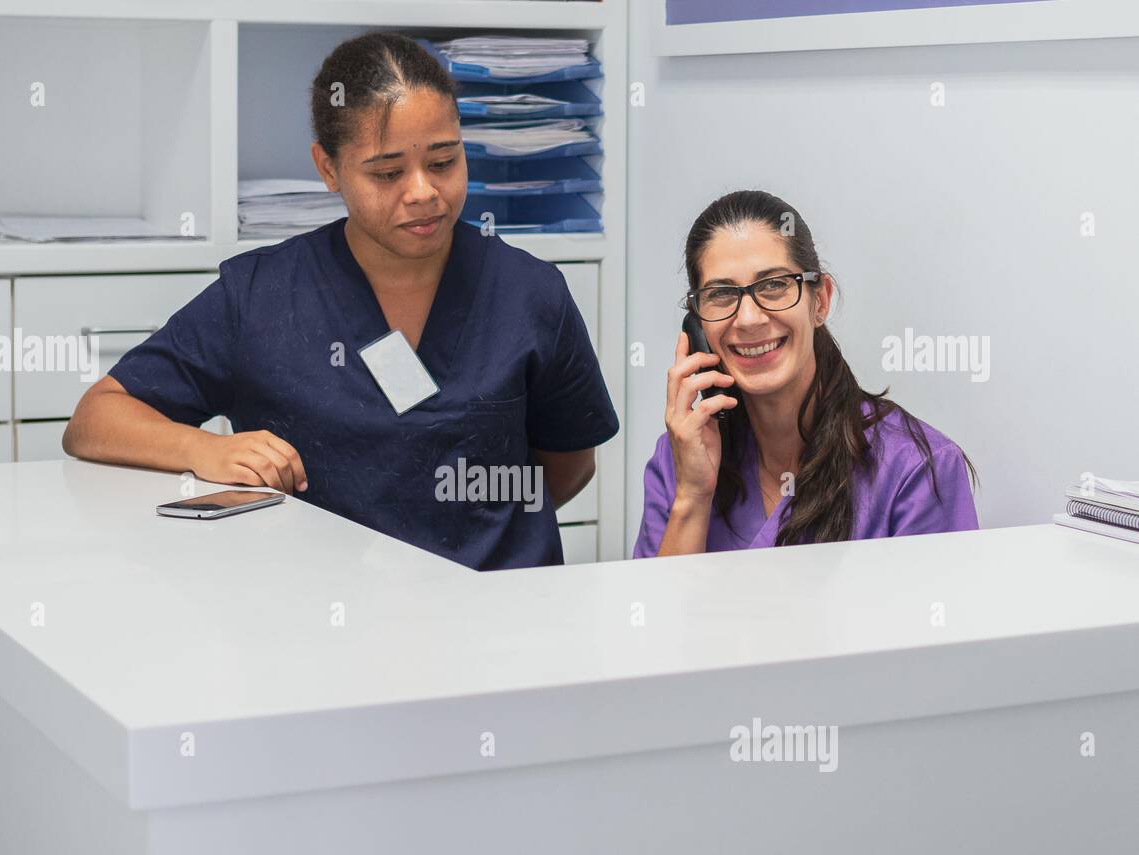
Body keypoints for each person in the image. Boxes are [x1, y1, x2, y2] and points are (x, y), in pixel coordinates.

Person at [63, 32, 618, 571]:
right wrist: (202, 450)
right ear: (328, 168)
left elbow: (567, 466)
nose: (423, 191)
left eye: (444, 161)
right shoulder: (260, 296)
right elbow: (95, 419)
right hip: (320, 620)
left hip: (501, 621)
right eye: (388, 172)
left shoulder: (530, 293)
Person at [634, 189, 977, 557]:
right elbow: (659, 613)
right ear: (697, 324)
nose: (749, 318)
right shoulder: (683, 457)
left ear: (821, 300)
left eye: (774, 285)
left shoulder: (918, 470)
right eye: (721, 293)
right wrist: (693, 495)